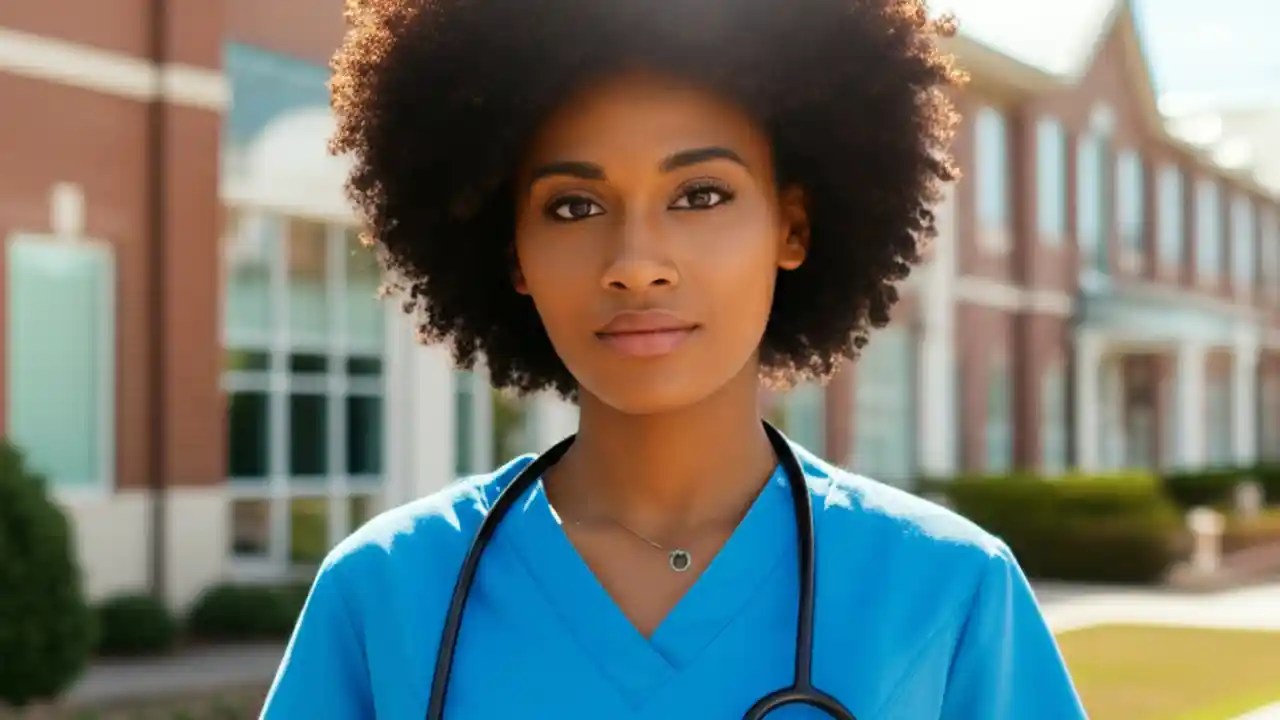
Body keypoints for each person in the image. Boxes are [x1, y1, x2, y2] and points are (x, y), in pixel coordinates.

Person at [263, 0, 1086, 717]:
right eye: (573, 205)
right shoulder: (387, 592)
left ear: (791, 228)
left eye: (700, 195)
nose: (635, 260)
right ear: (512, 253)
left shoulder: (947, 591)